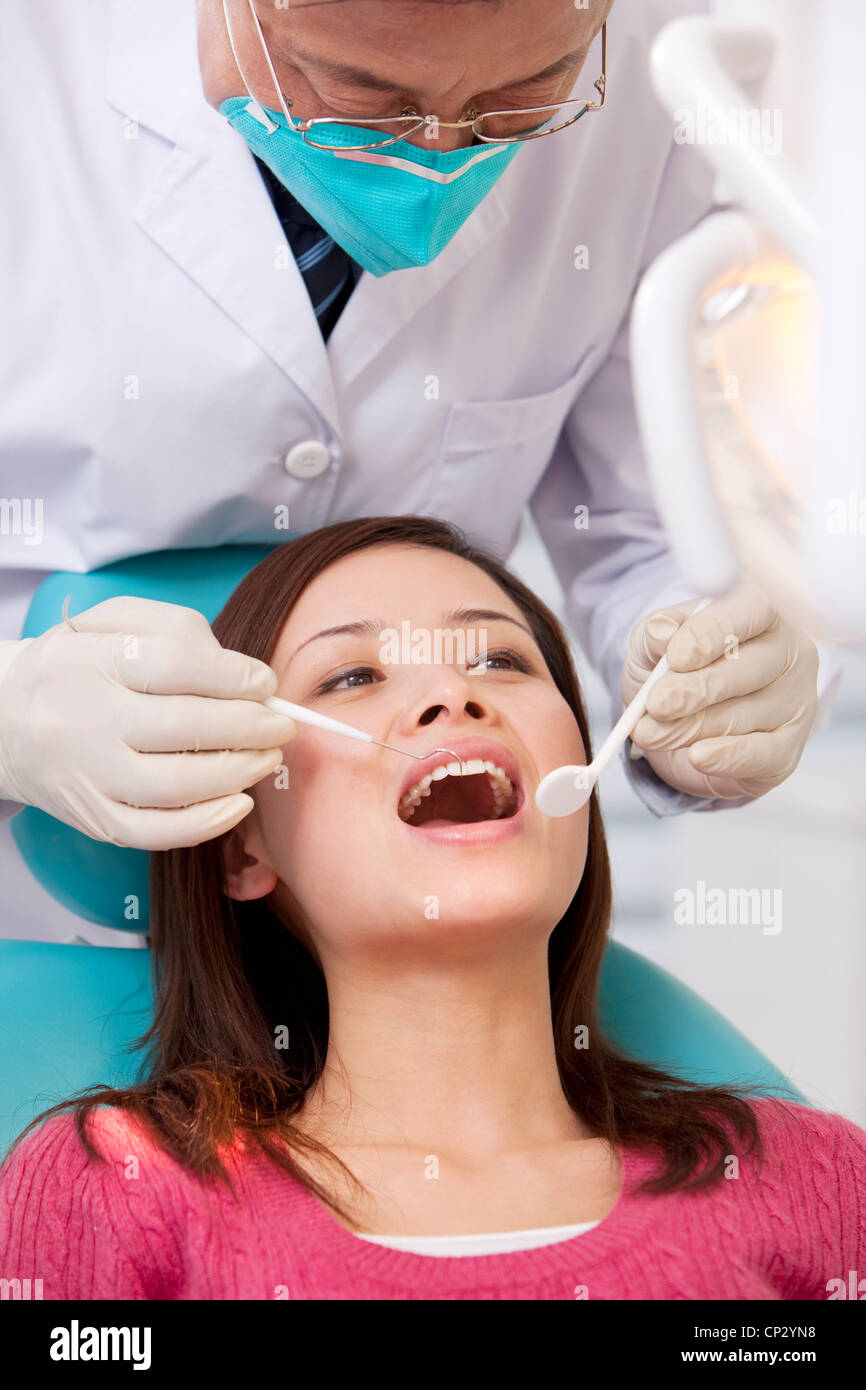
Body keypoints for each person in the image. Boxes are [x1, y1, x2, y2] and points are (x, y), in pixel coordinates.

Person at [0, 0, 823, 942]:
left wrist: (713, 666)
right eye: (363, 95)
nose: (437, 154)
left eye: (523, 96)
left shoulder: (661, 66)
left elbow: (653, 526)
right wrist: (12, 716)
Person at [0, 518, 861, 1299]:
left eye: (502, 661)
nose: (456, 698)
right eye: (351, 676)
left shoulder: (811, 1178)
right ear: (243, 846)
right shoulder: (112, 1192)